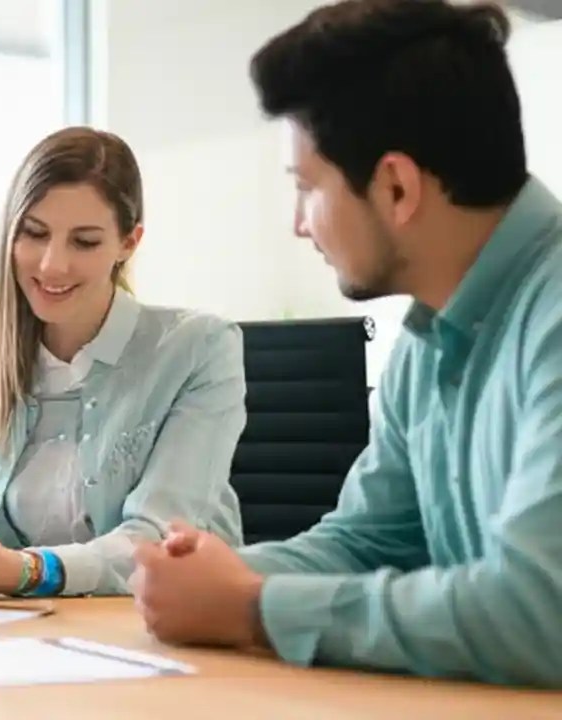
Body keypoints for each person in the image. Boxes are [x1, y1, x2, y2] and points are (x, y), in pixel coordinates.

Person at [130, 0, 562, 688]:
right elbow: (368, 540)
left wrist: (251, 606)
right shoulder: (429, 339)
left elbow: (544, 612)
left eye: (306, 189)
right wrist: (214, 573)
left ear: (395, 186)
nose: (301, 225)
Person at [0, 127, 247, 598]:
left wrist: (27, 571)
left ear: (128, 244)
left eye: (84, 242)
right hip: (36, 636)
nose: (51, 265)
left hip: (176, 626)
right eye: (35, 234)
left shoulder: (200, 348)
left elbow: (156, 541)